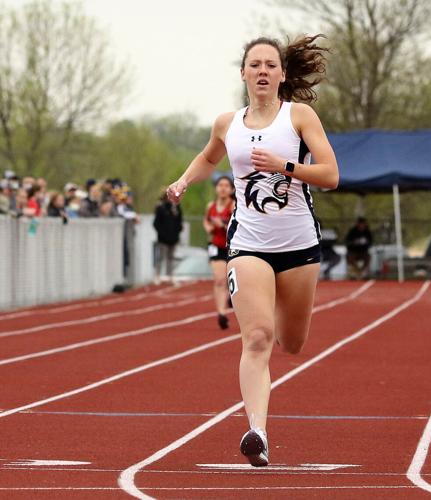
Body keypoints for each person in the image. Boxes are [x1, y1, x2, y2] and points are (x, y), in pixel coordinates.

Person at [165, 34, 337, 466]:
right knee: (257, 337)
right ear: (243, 73)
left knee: (292, 343)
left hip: (299, 246)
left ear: (281, 74)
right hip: (248, 245)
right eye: (254, 64)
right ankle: (257, 431)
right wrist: (184, 181)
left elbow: (331, 175)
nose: (262, 71)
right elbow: (209, 158)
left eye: (270, 65)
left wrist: (285, 167)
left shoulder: (299, 116)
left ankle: (278, 315)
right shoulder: (228, 123)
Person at [204, 176, 236, 329]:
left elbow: (237, 226)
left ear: (231, 189)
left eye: (226, 185)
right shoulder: (210, 205)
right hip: (216, 245)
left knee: (233, 279)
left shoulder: (233, 205)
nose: (223, 188)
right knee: (219, 279)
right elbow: (206, 220)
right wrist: (209, 227)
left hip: (233, 246)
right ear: (216, 188)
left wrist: (222, 225)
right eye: (220, 185)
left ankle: (231, 297)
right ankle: (221, 313)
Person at [153, 192, 183, 284]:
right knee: (161, 257)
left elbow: (180, 221)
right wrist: (162, 233)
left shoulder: (176, 208)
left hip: (173, 238)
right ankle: (157, 275)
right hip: (163, 238)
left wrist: (177, 231)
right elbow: (156, 223)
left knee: (171, 258)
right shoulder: (161, 208)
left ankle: (170, 276)